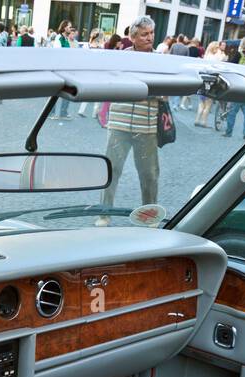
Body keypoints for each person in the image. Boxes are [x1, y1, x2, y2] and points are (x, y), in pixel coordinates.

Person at [100, 16, 160, 223]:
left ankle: (149, 217)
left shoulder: (161, 60)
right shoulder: (120, 59)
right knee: (111, 170)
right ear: (133, 37)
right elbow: (112, 87)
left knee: (149, 175)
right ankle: (104, 214)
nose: (150, 37)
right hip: (119, 124)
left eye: (152, 33)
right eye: (145, 34)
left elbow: (166, 94)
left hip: (147, 126)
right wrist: (146, 90)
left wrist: (142, 90)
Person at [225, 37, 245, 138]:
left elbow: (231, 68)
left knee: (232, 112)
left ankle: (229, 132)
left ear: (242, 44)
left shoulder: (238, 55)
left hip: (238, 89)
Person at [196, 39, 225, 127]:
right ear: (213, 48)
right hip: (211, 82)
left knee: (201, 102)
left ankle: (197, 120)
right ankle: (204, 122)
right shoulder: (214, 57)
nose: (218, 49)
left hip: (203, 81)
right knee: (208, 104)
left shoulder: (206, 56)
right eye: (216, 47)